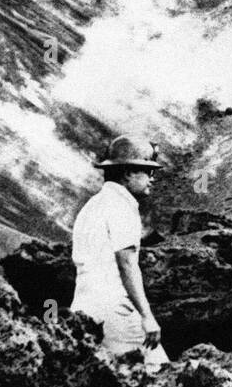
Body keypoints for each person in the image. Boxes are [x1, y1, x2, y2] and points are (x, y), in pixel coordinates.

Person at [71, 134, 169, 366]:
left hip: (83, 308)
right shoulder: (122, 206)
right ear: (127, 173)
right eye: (147, 171)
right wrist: (147, 317)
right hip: (116, 310)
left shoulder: (91, 206)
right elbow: (126, 264)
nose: (152, 179)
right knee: (162, 374)